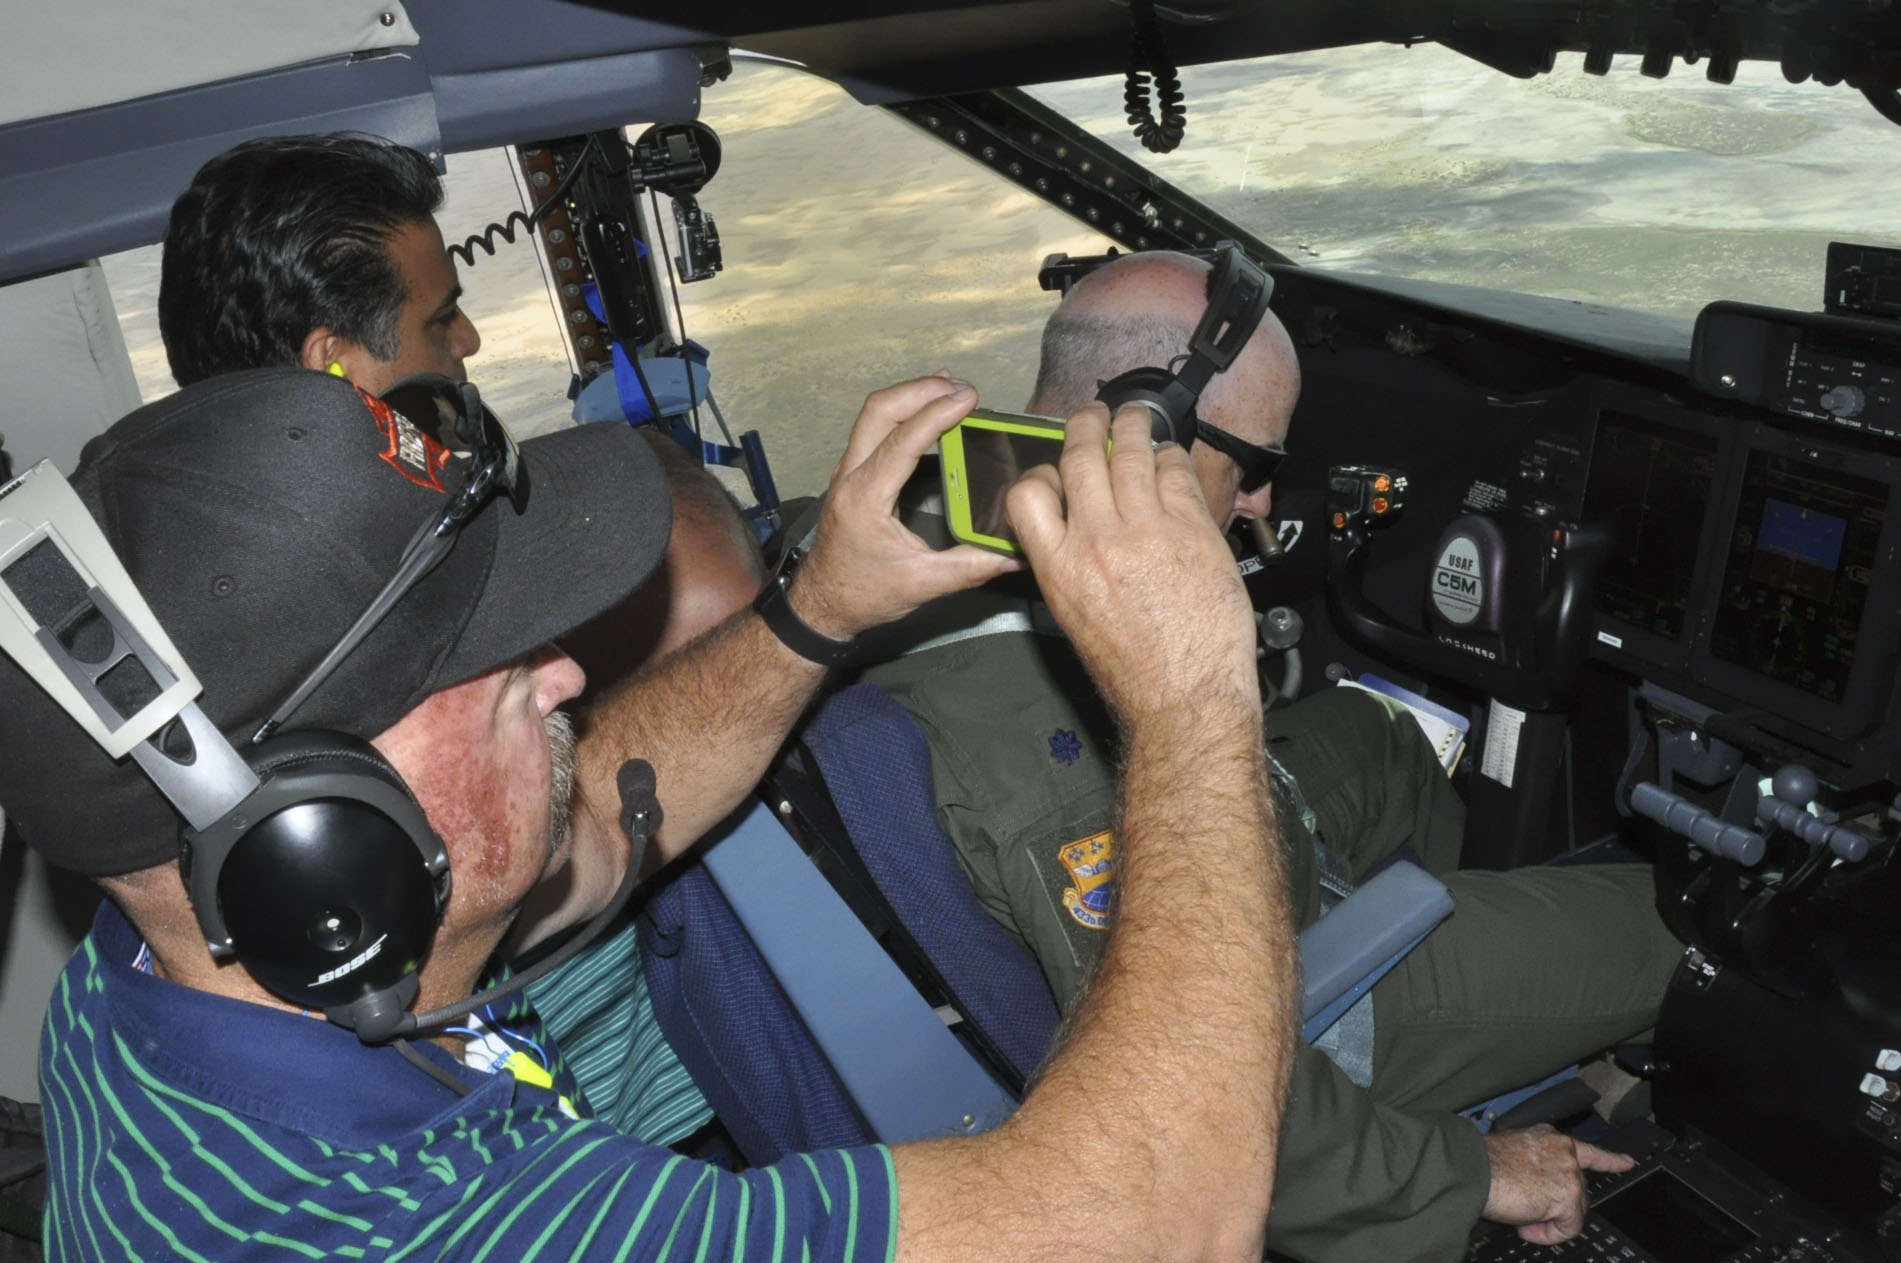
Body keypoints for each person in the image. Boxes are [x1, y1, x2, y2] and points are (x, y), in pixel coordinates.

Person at [0, 366, 1297, 1258]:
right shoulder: (400, 1222)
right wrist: (1191, 698)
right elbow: (1157, 1220)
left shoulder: (156, 968)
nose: (563, 669)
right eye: (493, 663)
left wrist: (816, 611)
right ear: (310, 831)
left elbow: (595, 804)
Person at [856, 250, 1688, 1261]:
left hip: (1216, 839)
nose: (1256, 503)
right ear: (1144, 422)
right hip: (1250, 1004)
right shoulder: (1041, 760)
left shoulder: (903, 518)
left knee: (1379, 734)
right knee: (1674, 930)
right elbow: (1190, 1095)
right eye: (1250, 464)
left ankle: (1493, 993)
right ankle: (1438, 1016)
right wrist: (1471, 1176)